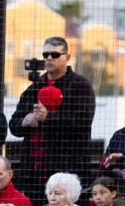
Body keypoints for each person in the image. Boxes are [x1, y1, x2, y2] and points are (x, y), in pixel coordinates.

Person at [10, 38, 97, 191]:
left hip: (67, 170)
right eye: (46, 54)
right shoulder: (34, 88)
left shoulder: (80, 85)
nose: (49, 58)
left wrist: (48, 118)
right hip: (33, 173)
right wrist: (24, 121)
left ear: (67, 57)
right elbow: (13, 125)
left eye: (55, 54)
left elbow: (83, 120)